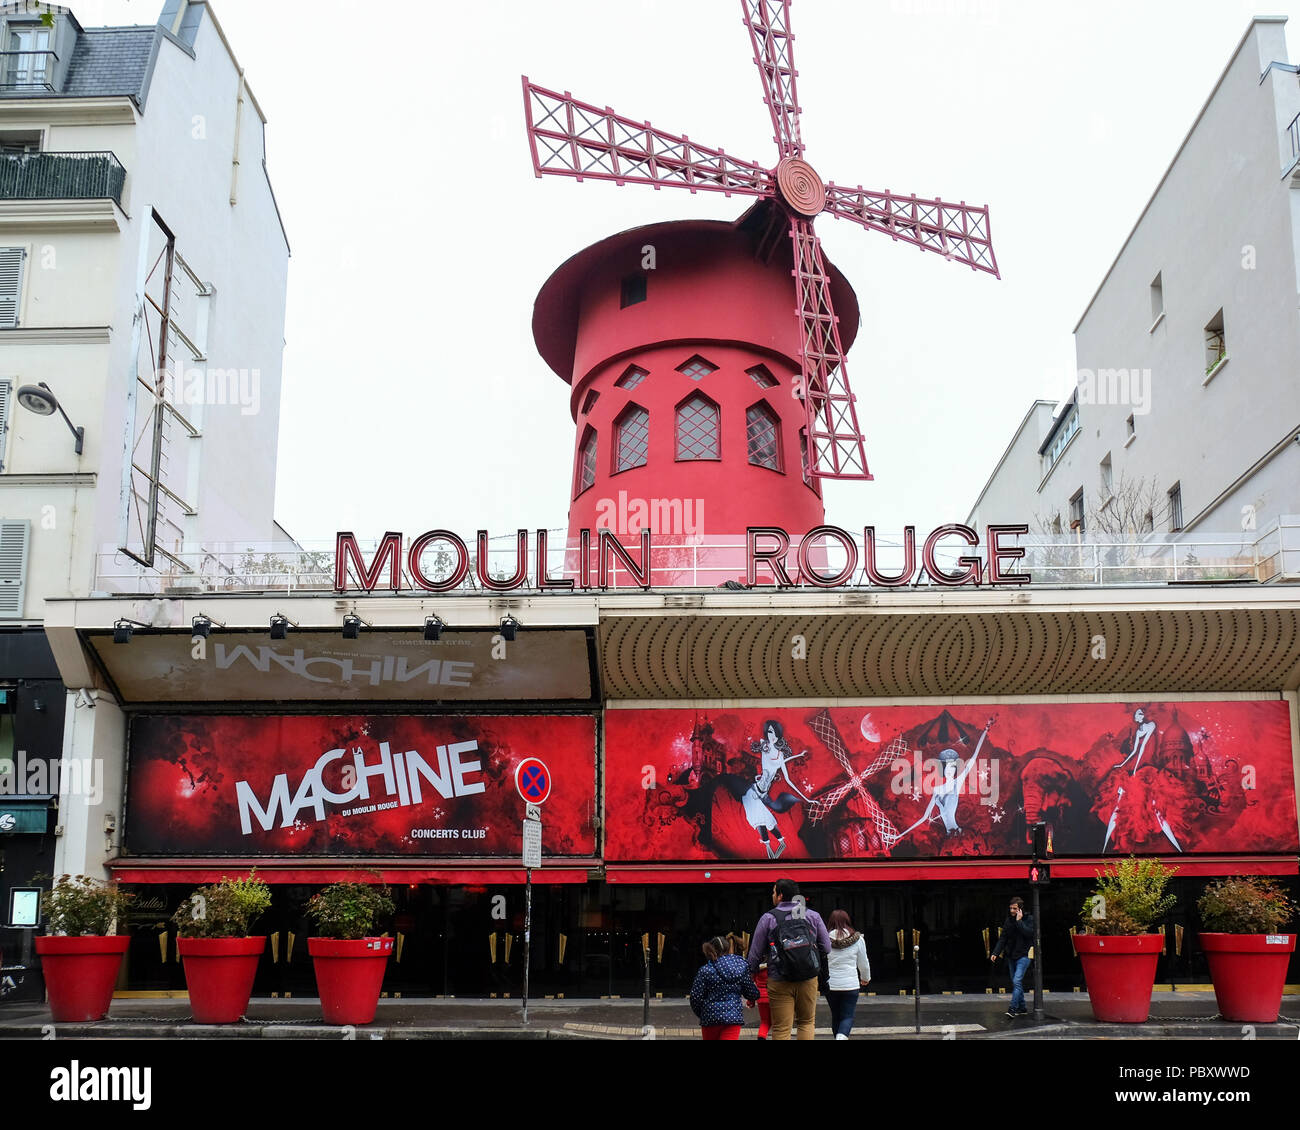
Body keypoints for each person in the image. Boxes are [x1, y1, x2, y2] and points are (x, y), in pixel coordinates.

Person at [746, 878, 831, 1040]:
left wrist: (751, 976)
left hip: (779, 978)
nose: (772, 895)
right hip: (808, 978)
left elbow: (755, 954)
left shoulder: (768, 918)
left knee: (781, 1028)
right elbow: (826, 948)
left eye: (773, 891)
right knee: (806, 1022)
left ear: (780, 895)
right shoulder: (812, 916)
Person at [720, 720, 813, 859]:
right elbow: (759, 757)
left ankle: (777, 848)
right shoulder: (765, 748)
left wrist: (806, 798)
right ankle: (772, 853)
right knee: (762, 823)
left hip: (760, 794)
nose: (772, 735)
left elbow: (787, 778)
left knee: (767, 822)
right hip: (753, 793)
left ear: (779, 735)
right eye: (769, 732)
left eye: (774, 732)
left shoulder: (780, 756)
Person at [689, 934, 759, 1040]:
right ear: (728, 948)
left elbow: (695, 997)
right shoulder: (740, 968)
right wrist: (753, 997)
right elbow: (751, 992)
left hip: (710, 1019)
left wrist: (703, 1012)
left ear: (711, 950)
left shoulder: (705, 971)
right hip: (733, 1018)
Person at [824, 908, 871, 1040]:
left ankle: (838, 1037)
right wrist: (865, 978)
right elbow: (863, 962)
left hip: (831, 985)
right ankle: (841, 1038)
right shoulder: (857, 939)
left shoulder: (825, 939)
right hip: (850, 985)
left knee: (836, 1016)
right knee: (847, 1016)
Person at [990, 895, 1034, 1017]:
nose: (1012, 911)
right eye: (1011, 908)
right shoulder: (1008, 921)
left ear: (1020, 909)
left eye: (1014, 908)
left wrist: (1019, 922)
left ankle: (1012, 1009)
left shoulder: (1029, 919)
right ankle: (1023, 1007)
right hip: (1011, 956)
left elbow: (1029, 934)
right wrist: (995, 953)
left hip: (1024, 956)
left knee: (1017, 981)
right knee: (1016, 983)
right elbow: (1003, 938)